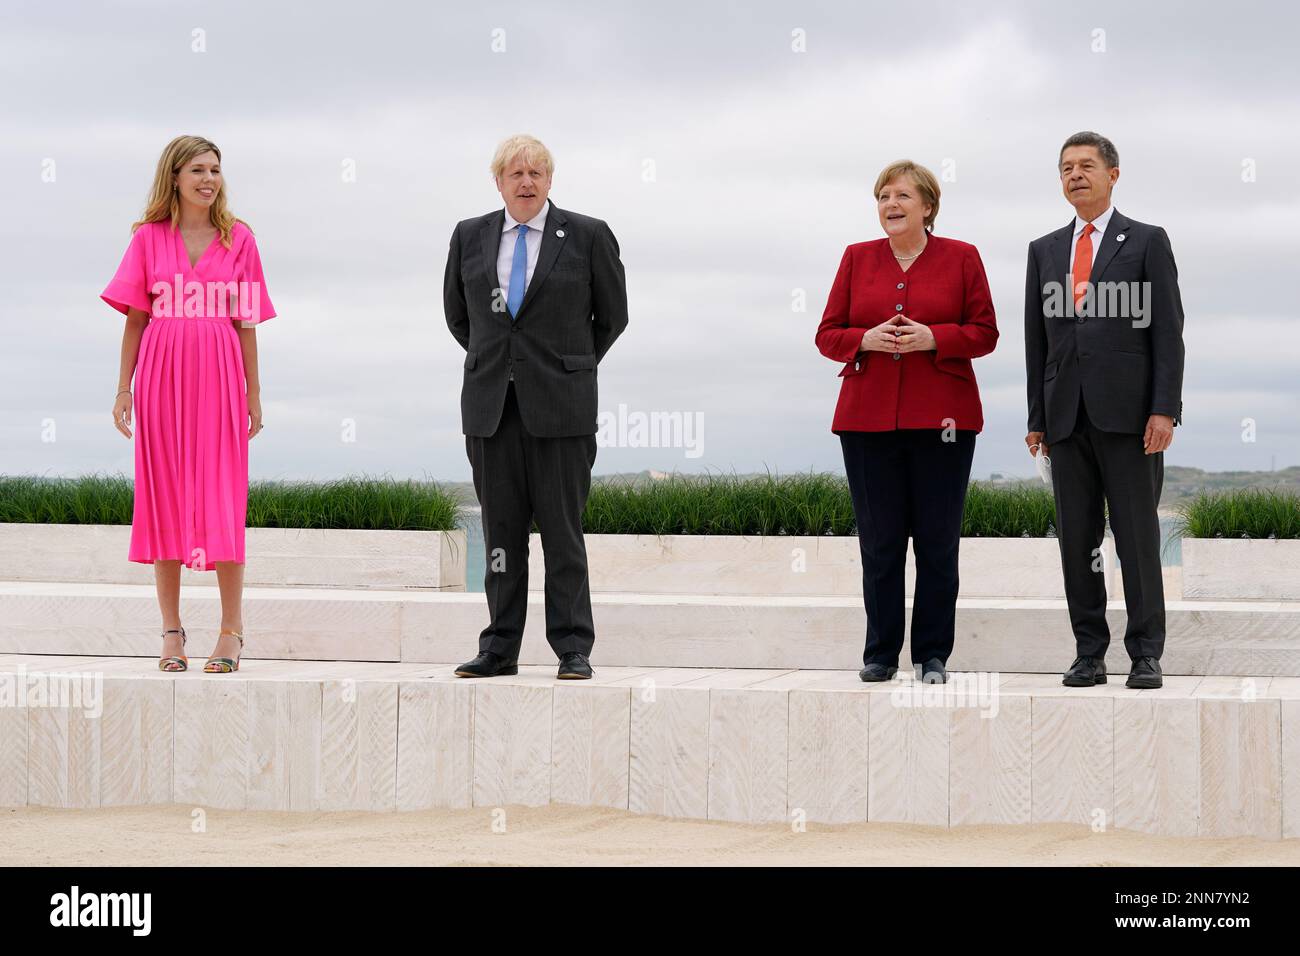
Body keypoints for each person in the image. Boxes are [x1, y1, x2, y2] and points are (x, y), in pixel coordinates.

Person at [443, 134, 628, 680]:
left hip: (562, 410)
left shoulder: (589, 235)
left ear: (551, 180)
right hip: (491, 410)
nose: (526, 182)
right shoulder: (469, 236)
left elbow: (612, 317)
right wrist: (502, 364)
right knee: (500, 536)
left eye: (536, 173)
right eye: (515, 173)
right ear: (497, 180)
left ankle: (573, 647)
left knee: (562, 533)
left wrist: (567, 365)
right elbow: (460, 318)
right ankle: (499, 647)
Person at [816, 160, 998, 684]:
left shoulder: (963, 258)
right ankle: (879, 653)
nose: (890, 205)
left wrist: (935, 337)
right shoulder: (856, 258)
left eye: (902, 196)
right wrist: (863, 340)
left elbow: (985, 332)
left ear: (928, 207)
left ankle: (933, 654)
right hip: (867, 421)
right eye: (883, 197)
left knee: (938, 541)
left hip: (945, 421)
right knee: (880, 542)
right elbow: (827, 334)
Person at [103, 135, 275, 674]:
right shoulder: (149, 239)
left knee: (223, 497)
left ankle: (231, 631)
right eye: (198, 169)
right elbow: (135, 318)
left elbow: (245, 323)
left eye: (216, 170)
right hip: (159, 375)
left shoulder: (239, 238)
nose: (209, 179)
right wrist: (123, 387)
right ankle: (172, 632)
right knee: (164, 498)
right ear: (173, 176)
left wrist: (253, 391)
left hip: (220, 376)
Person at [1025, 131, 1184, 690]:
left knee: (1138, 538)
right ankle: (1089, 653)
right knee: (1077, 541)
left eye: (1086, 165)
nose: (1075, 175)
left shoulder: (1146, 241)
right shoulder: (1043, 249)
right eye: (1066, 167)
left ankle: (1145, 653)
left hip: (1131, 418)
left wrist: (1164, 409)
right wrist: (1036, 417)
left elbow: (1168, 331)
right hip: (1067, 417)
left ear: (1113, 174)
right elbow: (1036, 340)